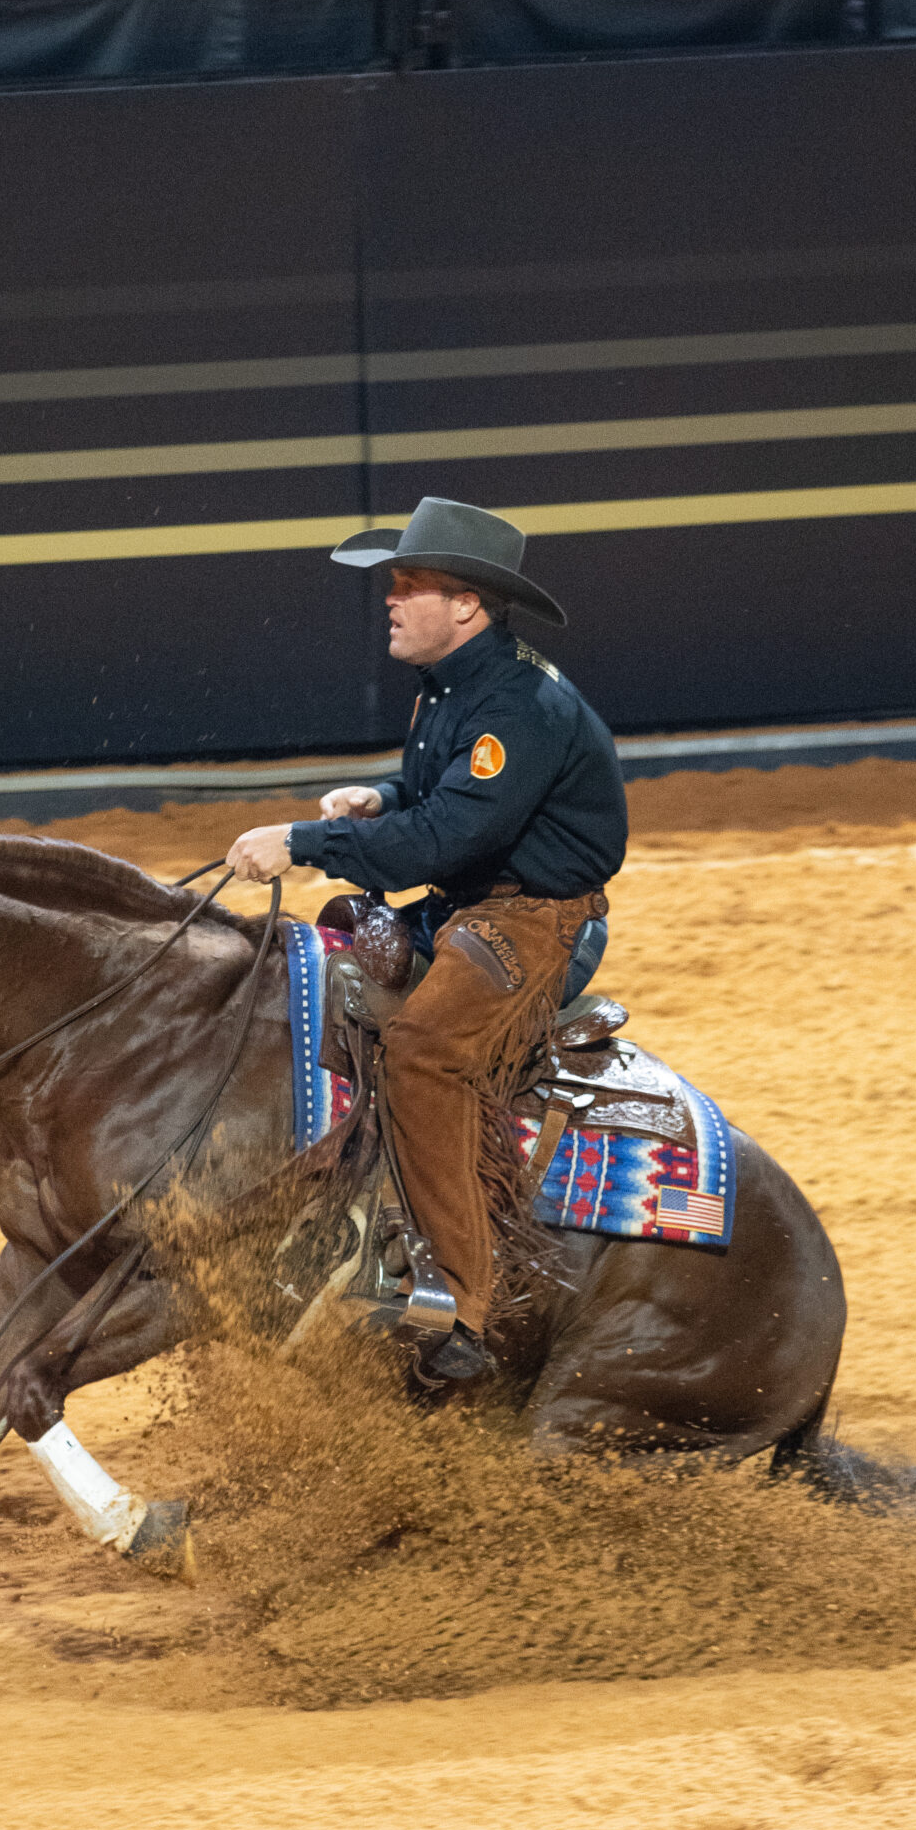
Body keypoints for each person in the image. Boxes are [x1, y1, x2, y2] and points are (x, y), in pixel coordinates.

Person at [228, 497, 628, 1382]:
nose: (391, 600)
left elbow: (446, 841)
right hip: (472, 906)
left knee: (423, 1055)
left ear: (469, 607)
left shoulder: (518, 708)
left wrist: (302, 842)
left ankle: (468, 1313)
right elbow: (437, 802)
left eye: (411, 585)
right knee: (327, 973)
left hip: (536, 924)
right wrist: (380, 795)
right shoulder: (457, 686)